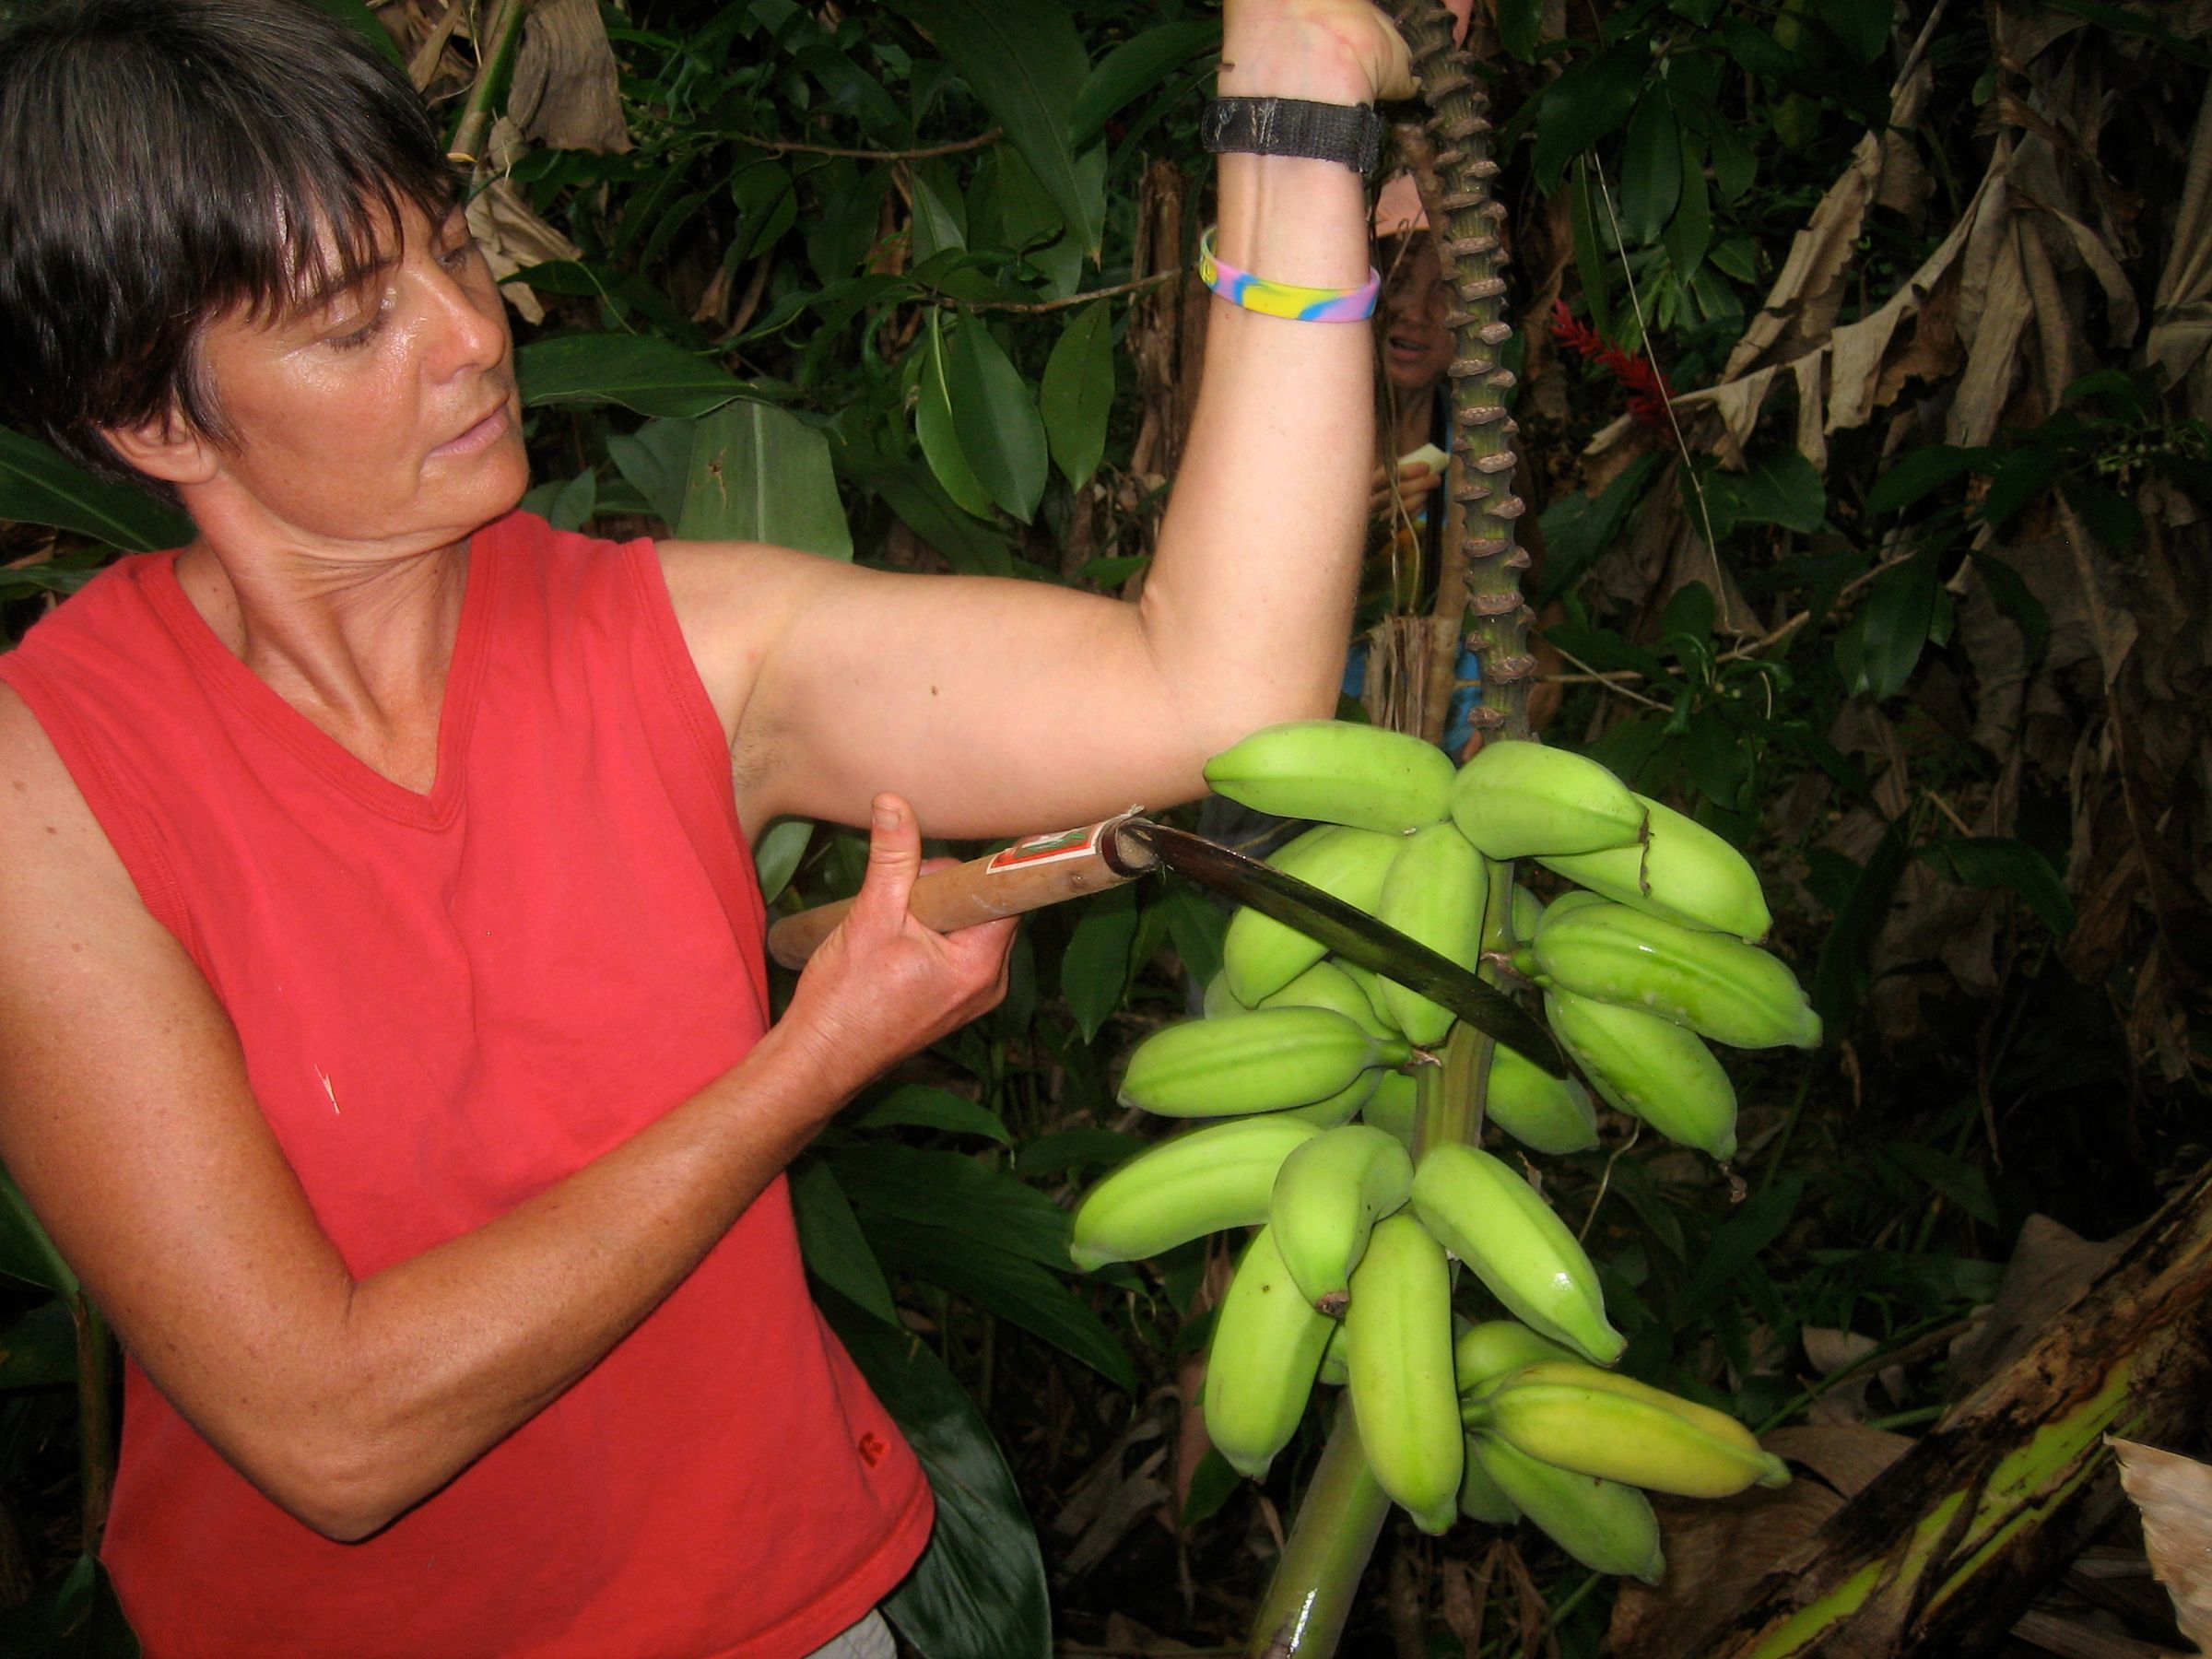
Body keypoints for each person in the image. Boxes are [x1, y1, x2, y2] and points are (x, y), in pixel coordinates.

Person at [0, 0, 1412, 1653]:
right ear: (157, 422)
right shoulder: (48, 791)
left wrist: (1294, 118)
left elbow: (1217, 695)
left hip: (788, 1614)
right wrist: (803, 1069)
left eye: (451, 250)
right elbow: (333, 1429)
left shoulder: (672, 642)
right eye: (354, 322)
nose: (472, 334)